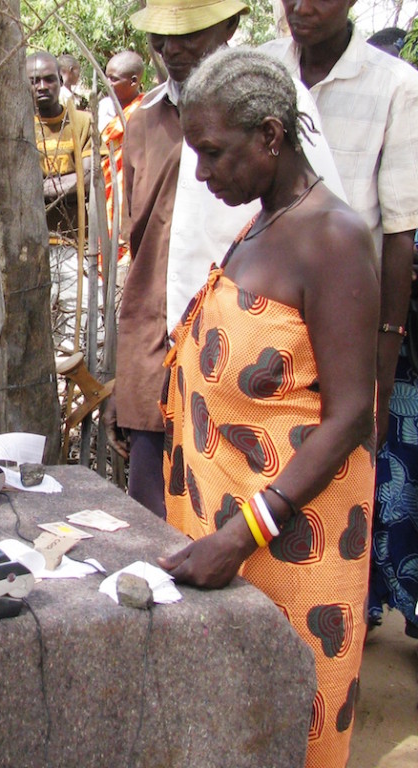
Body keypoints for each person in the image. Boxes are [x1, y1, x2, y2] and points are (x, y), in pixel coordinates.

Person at [158, 48, 378, 768]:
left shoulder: (333, 239)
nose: (202, 173)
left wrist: (247, 530)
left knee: (286, 725)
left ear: (273, 137)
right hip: (233, 536)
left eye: (214, 153)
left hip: (289, 544)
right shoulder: (261, 225)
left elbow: (350, 414)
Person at [104, 0, 343, 518]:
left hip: (251, 380)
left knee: (235, 539)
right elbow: (141, 258)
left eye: (187, 33)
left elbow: (311, 232)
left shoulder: (272, 103)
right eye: (160, 38)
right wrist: (129, 381)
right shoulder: (142, 121)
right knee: (159, 533)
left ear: (230, 24)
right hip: (159, 362)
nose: (171, 50)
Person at [259, 0, 418, 638]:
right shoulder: (259, 70)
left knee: (336, 482)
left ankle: (329, 638)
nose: (300, 6)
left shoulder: (395, 88)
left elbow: (400, 234)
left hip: (347, 332)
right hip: (265, 323)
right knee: (269, 474)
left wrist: (382, 362)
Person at [26, 51, 93, 353]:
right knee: (36, 328)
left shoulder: (81, 122)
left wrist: (38, 188)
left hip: (71, 242)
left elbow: (89, 178)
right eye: (33, 81)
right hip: (29, 246)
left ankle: (74, 392)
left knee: (78, 322)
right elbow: (14, 187)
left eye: (49, 79)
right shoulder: (19, 127)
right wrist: (66, 183)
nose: (42, 86)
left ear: (61, 80)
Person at [98, 51, 144, 267]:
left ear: (134, 81)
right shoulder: (118, 115)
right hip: (111, 193)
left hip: (132, 194)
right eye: (106, 77)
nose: (107, 83)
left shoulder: (144, 113)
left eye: (114, 79)